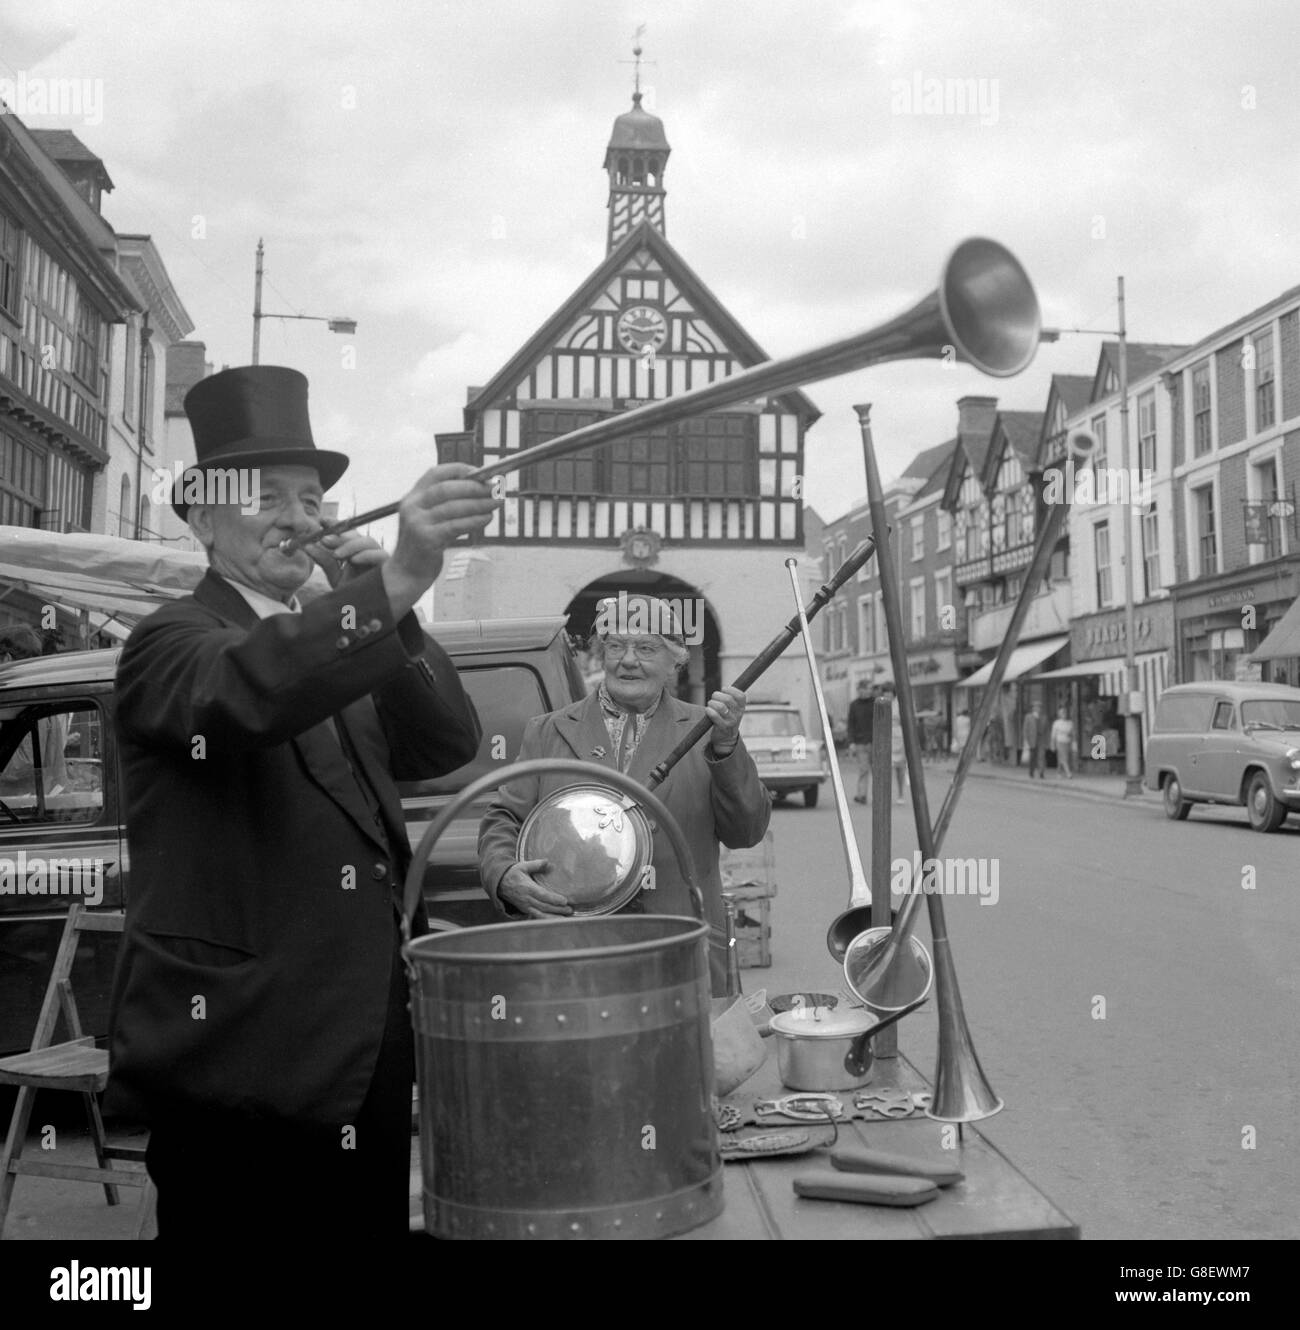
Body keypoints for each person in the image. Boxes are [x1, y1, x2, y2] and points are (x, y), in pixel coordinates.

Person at [105, 365, 499, 1241]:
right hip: (243, 1061)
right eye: (266, 497)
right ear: (204, 518)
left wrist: (395, 615)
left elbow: (445, 745)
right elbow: (247, 691)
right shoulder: (170, 638)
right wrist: (384, 590)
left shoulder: (337, 637)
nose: (299, 517)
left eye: (312, 498)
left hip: (362, 1051)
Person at [477, 594, 771, 995]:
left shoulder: (707, 729)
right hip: (575, 954)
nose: (628, 660)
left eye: (646, 648)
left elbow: (746, 832)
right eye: (616, 645)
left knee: (678, 1057)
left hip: (678, 951)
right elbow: (503, 819)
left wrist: (727, 748)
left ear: (676, 660)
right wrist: (503, 873)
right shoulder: (548, 730)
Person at [846, 678, 874, 804]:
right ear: (860, 690)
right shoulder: (854, 705)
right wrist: (851, 742)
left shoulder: (876, 703)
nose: (869, 691)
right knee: (863, 769)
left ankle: (878, 795)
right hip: (860, 742)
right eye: (867, 688)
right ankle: (862, 795)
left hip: (875, 742)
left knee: (877, 770)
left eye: (870, 689)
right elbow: (851, 724)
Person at [1021, 701, 1046, 779]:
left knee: (1041, 756)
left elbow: (1044, 729)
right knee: (1032, 757)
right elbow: (1025, 729)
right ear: (1033, 708)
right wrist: (1025, 740)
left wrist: (1039, 719)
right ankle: (1031, 772)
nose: (1037, 709)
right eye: (1036, 707)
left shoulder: (1043, 717)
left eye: (1039, 707)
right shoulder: (1028, 717)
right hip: (1031, 740)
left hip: (1040, 739)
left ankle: (1041, 773)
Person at [1050, 705, 1076, 779]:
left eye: (1065, 712)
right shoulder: (1056, 723)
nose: (1064, 714)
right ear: (1059, 714)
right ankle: (1068, 773)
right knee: (1064, 758)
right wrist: (1052, 744)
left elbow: (1073, 734)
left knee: (1062, 758)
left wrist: (1074, 742)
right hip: (1059, 741)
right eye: (1062, 712)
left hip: (1067, 742)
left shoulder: (1070, 723)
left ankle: (1058, 772)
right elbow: (1053, 735)